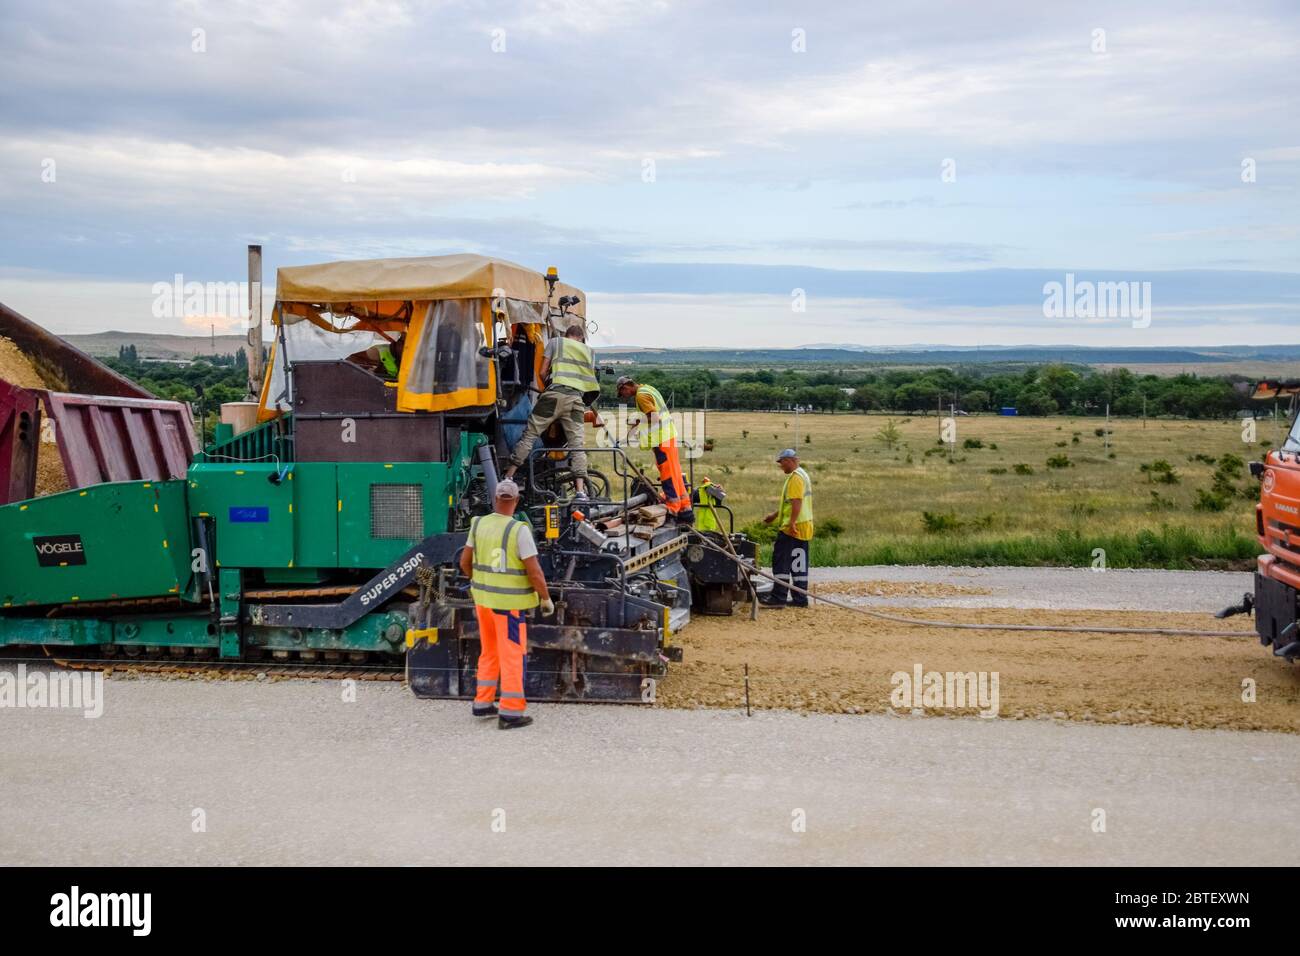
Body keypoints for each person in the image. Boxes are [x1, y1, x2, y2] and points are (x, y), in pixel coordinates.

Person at [458, 478, 554, 729]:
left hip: (483, 603)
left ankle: (482, 703)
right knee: (512, 655)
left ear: (495, 499)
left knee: (489, 651)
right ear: (517, 501)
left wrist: (479, 581)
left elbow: (464, 562)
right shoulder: (519, 530)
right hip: (508, 607)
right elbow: (535, 573)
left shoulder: (478, 524)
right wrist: (545, 598)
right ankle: (510, 712)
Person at [503, 324, 600, 497]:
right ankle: (580, 492)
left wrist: (548, 387)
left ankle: (508, 477)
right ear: (581, 338)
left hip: (553, 397)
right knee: (577, 445)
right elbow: (587, 381)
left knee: (530, 435)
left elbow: (541, 372)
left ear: (567, 334)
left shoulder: (556, 342)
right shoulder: (590, 352)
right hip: (576, 401)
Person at [616, 375, 693, 523]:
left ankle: (672, 505)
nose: (623, 396)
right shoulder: (648, 389)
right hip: (669, 436)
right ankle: (685, 508)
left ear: (626, 387)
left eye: (622, 393)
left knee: (667, 472)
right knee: (675, 471)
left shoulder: (641, 396)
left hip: (661, 439)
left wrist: (637, 420)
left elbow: (654, 417)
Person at [760, 449, 814, 608]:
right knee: (798, 562)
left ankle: (778, 597)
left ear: (789, 460)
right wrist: (775, 515)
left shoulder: (796, 478)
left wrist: (791, 522)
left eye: (781, 462)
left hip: (793, 528)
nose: (780, 466)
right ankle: (800, 599)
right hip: (804, 526)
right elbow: (791, 502)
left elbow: (796, 501)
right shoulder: (803, 474)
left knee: (781, 561)